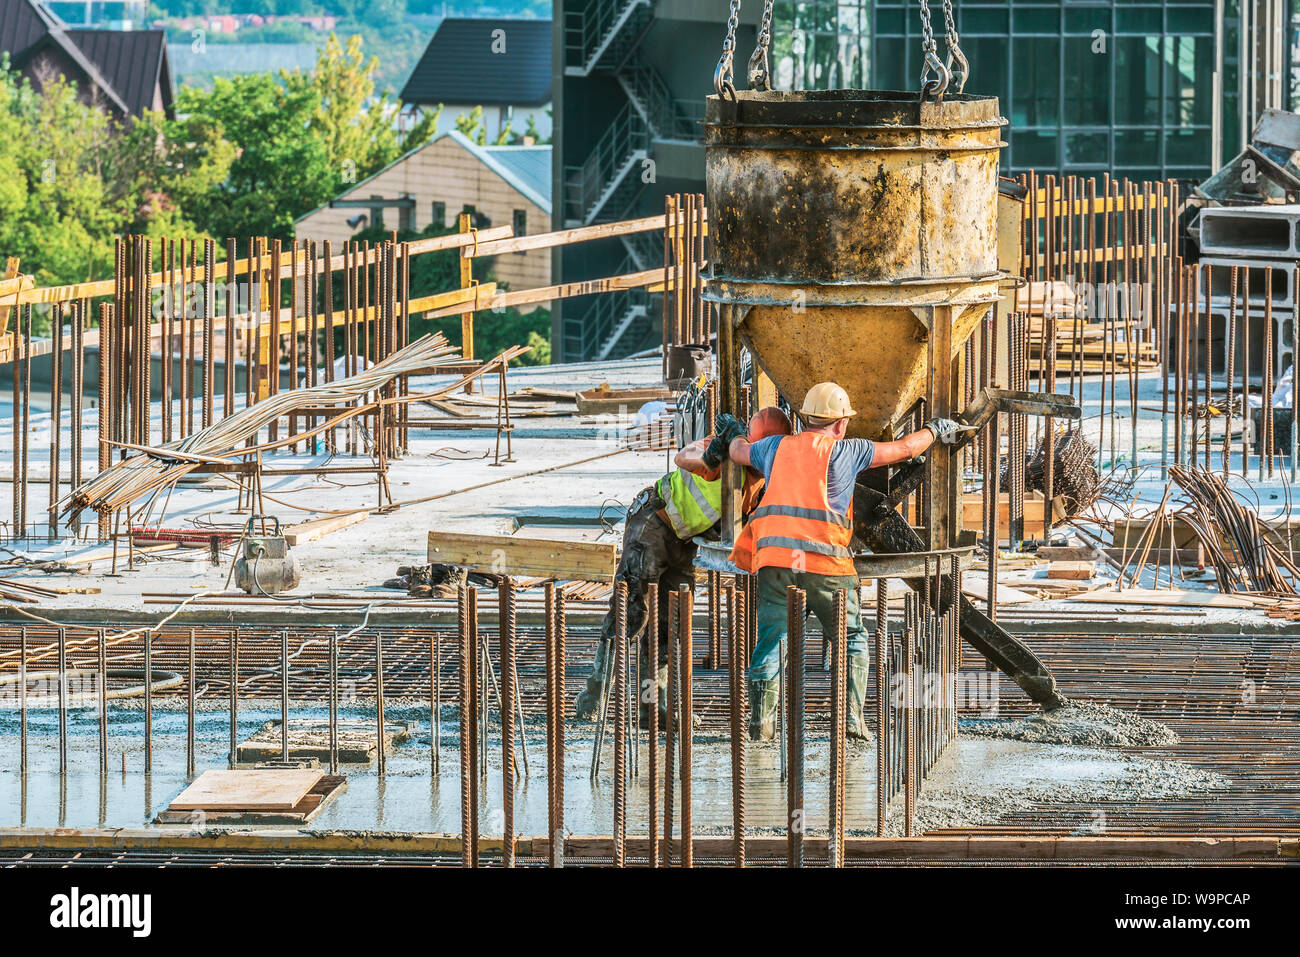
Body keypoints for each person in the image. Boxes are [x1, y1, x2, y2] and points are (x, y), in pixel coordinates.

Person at [723, 382, 964, 740]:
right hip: (825, 566)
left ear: (805, 419)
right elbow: (904, 449)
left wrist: (732, 435)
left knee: (771, 640)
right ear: (840, 424)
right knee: (851, 638)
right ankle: (851, 720)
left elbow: (739, 451)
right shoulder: (849, 450)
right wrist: (936, 431)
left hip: (774, 562)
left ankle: (761, 725)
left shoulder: (773, 447)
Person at [574, 406, 794, 723]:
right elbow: (682, 458)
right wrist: (719, 448)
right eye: (766, 451)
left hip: (684, 544)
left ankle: (653, 707)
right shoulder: (726, 451)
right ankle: (593, 698)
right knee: (632, 613)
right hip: (653, 525)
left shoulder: (766, 480)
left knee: (666, 627)